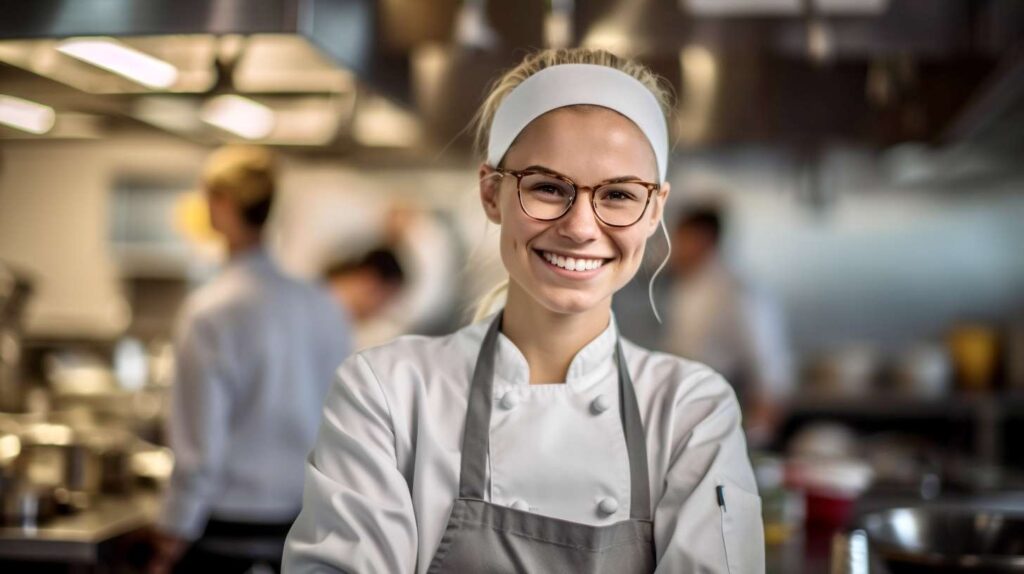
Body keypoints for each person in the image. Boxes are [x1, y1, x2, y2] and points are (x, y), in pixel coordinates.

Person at [283, 48, 763, 573]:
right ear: (492, 193)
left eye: (620, 194)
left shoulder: (692, 411)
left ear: (655, 210)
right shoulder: (387, 393)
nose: (580, 227)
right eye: (548, 187)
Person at [149, 145, 351, 574]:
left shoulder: (211, 311)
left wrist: (171, 532)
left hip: (227, 528)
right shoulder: (321, 302)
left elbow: (199, 450)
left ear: (220, 206)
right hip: (302, 521)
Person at [665, 204, 793, 446]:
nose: (673, 247)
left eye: (680, 238)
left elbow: (769, 369)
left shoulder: (739, 293)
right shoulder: (686, 285)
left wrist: (753, 438)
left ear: (704, 239)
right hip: (687, 412)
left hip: (725, 412)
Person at [322, 247, 406, 338]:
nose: (383, 310)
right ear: (371, 282)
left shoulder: (337, 324)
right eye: (387, 299)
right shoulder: (326, 320)